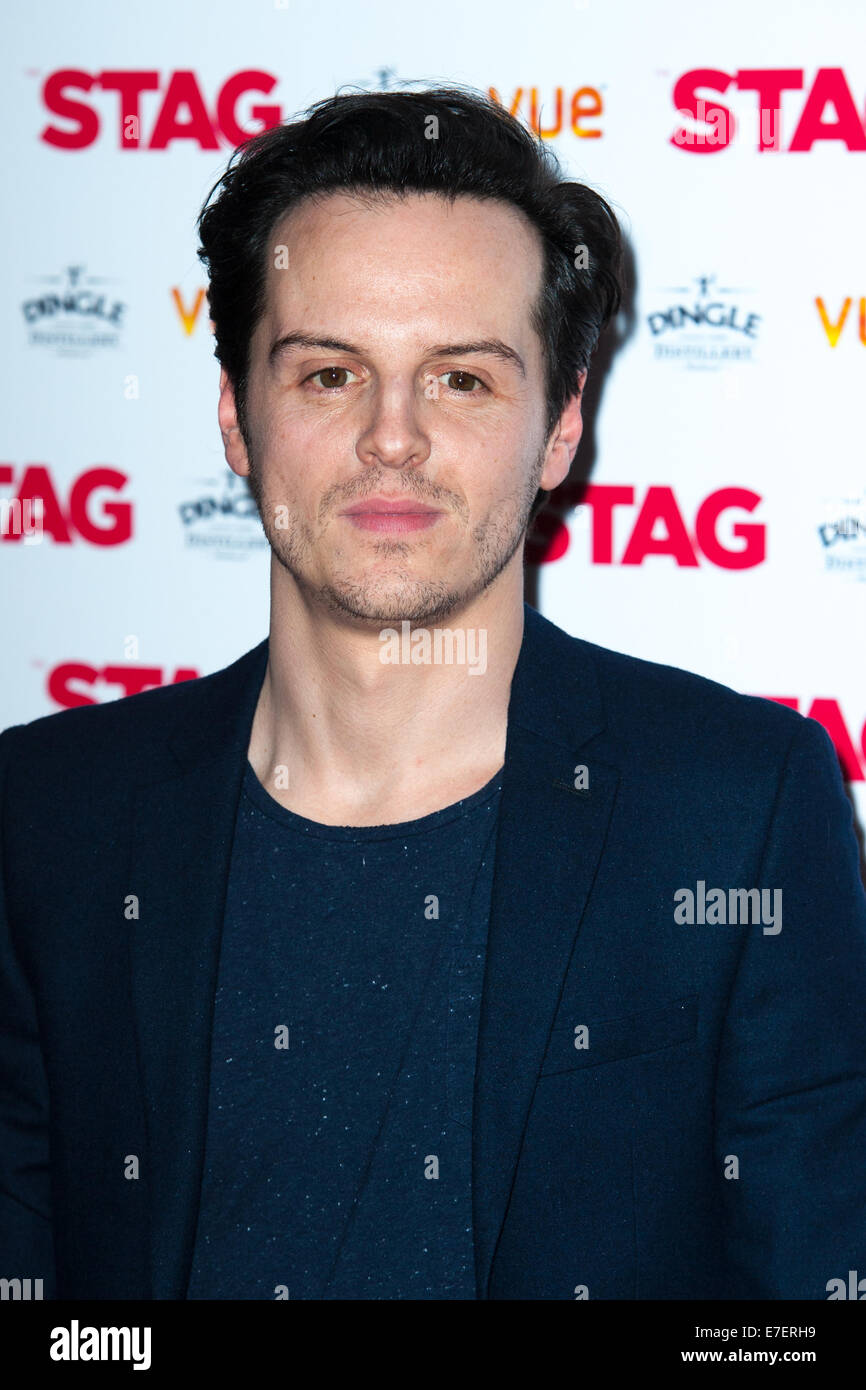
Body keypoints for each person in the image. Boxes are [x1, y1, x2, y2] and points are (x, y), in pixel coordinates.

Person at [1, 85, 864, 1301]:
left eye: (461, 379)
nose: (391, 437)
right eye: (327, 375)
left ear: (560, 426)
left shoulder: (738, 806)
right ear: (235, 417)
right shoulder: (50, 815)